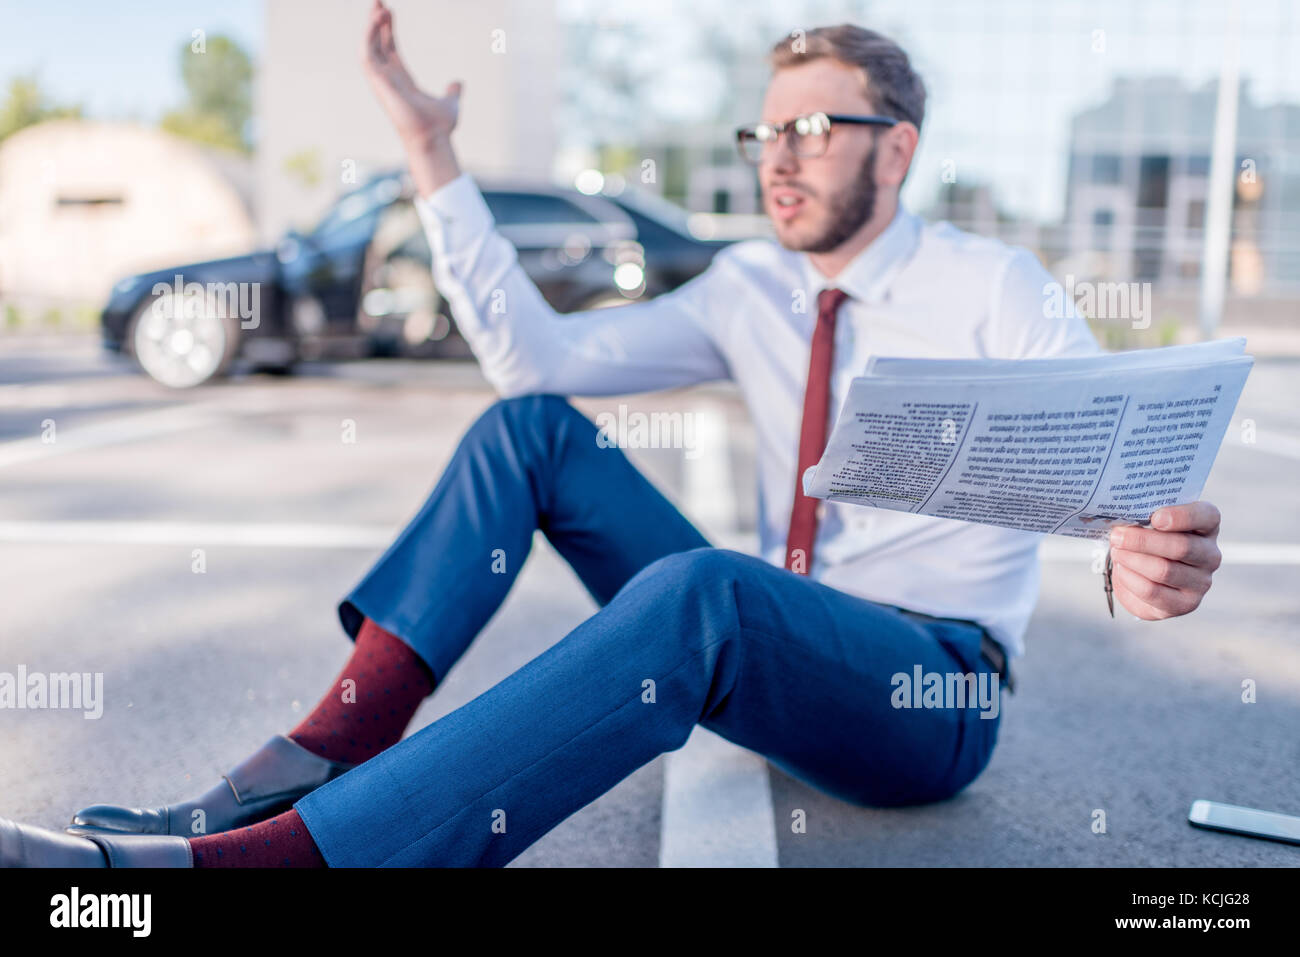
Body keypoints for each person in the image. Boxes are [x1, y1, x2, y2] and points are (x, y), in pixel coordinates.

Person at [0, 0, 1224, 868]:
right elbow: (545, 361)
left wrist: (1148, 555)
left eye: (810, 132)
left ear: (895, 149)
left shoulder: (997, 288)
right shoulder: (753, 285)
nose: (776, 162)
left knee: (710, 595)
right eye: (764, 135)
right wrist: (433, 154)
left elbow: (1112, 472)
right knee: (528, 429)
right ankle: (307, 766)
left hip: (928, 697)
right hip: (778, 655)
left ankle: (284, 873)